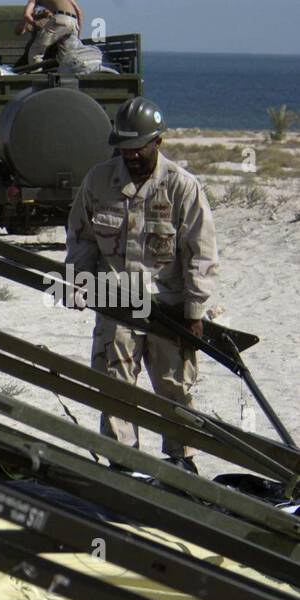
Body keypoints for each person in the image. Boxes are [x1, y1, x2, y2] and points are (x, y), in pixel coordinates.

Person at [66, 97, 219, 474]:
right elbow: (81, 237)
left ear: (158, 143)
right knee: (116, 385)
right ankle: (123, 463)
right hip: (116, 302)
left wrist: (194, 312)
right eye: (124, 149)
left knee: (174, 389)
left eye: (139, 149)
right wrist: (76, 283)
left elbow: (201, 253)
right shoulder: (99, 181)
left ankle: (181, 463)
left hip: (168, 308)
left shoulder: (182, 187)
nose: (131, 156)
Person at [18, 0, 83, 66]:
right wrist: (78, 32)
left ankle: (36, 74)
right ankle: (67, 73)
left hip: (60, 19)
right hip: (73, 21)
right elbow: (79, 12)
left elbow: (26, 14)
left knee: (35, 50)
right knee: (68, 55)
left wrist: (36, 24)